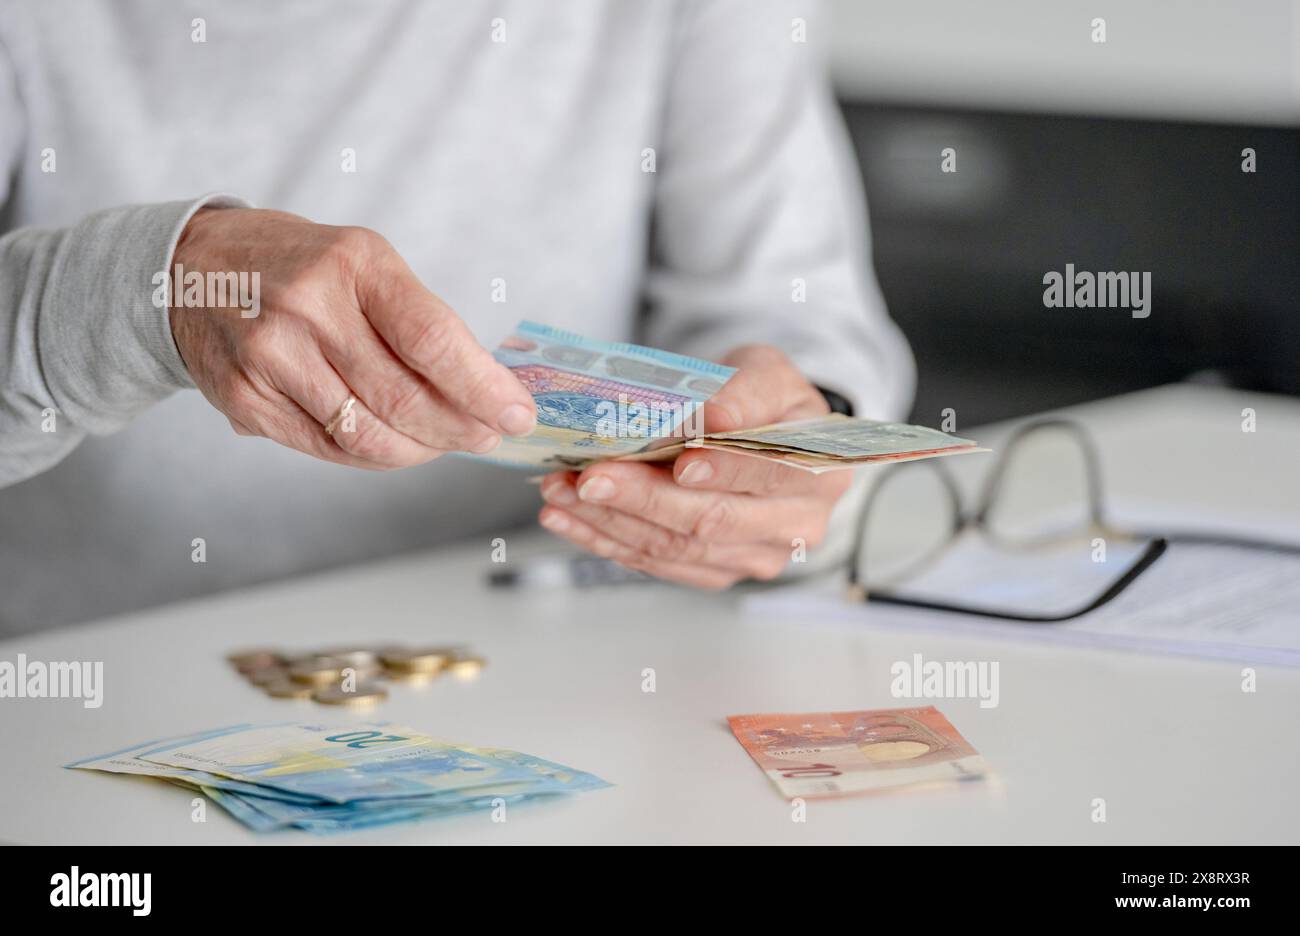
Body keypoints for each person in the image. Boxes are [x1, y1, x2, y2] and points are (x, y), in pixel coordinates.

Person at [0, 0, 914, 634]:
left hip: (561, 659)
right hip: (92, 688)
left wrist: (794, 451)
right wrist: (150, 290)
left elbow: (793, 313)